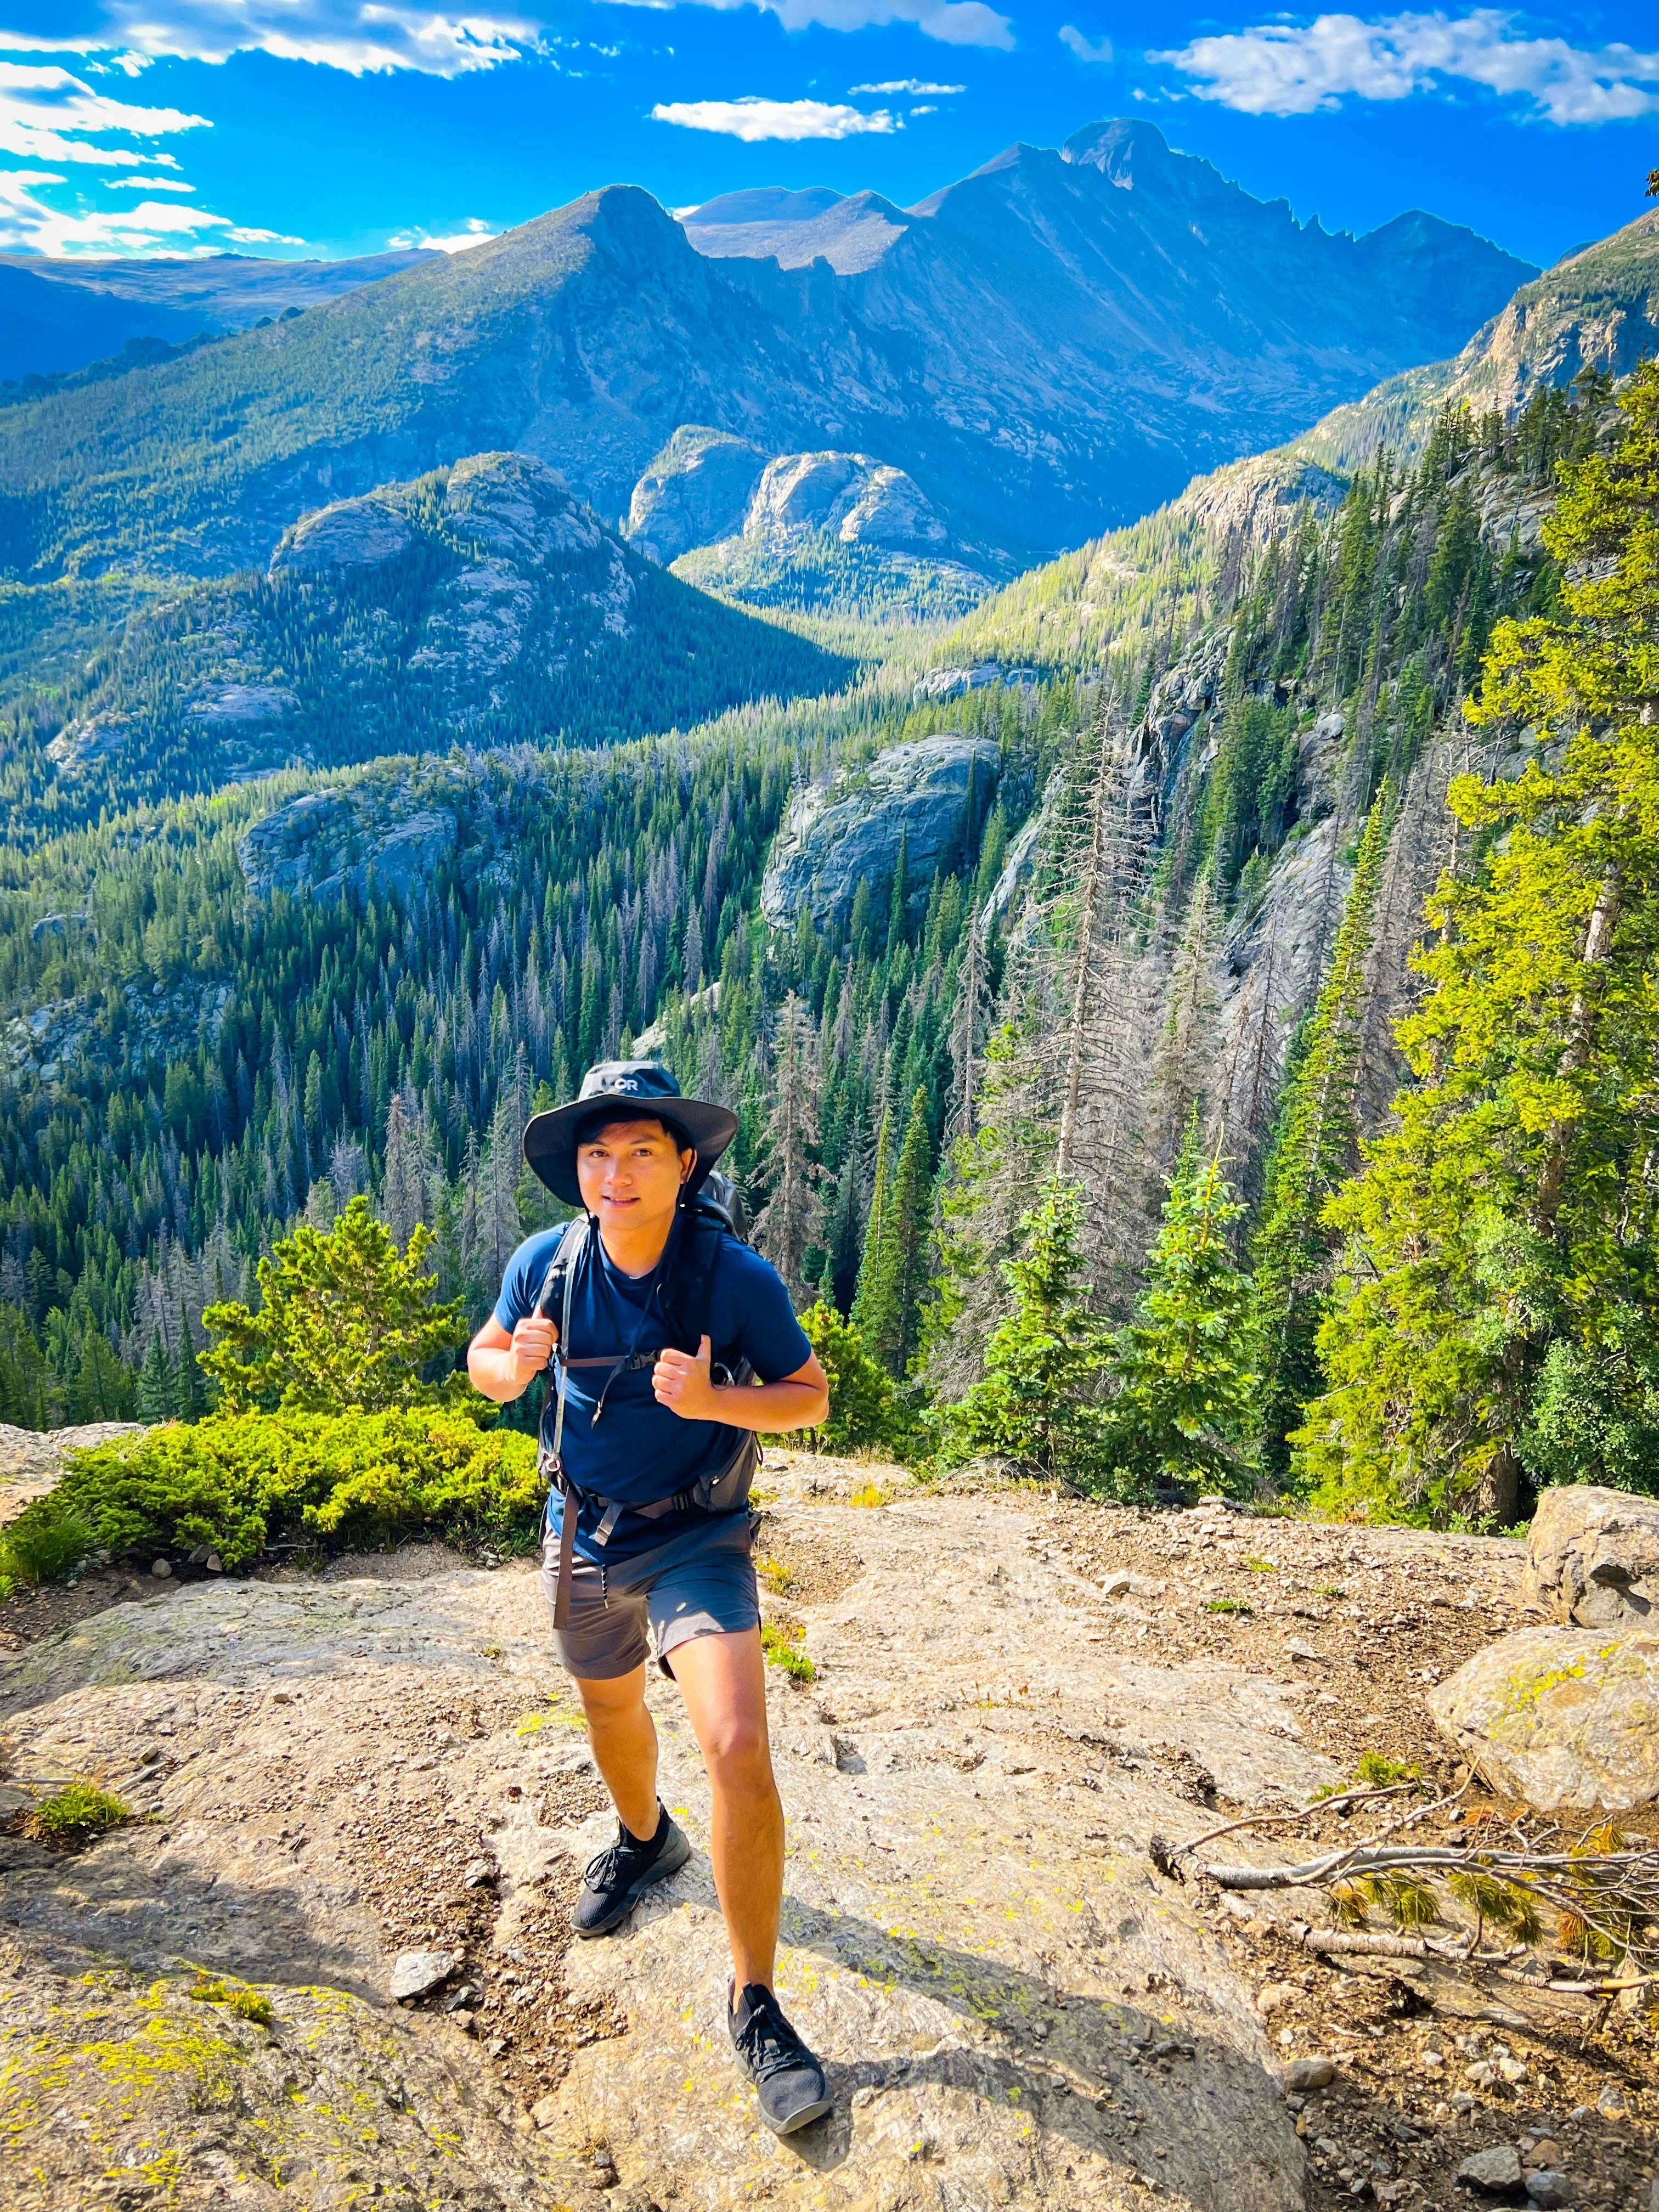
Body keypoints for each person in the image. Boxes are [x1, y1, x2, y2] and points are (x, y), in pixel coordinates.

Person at [467, 1059, 834, 2136]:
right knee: (611, 1705)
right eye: (597, 1152)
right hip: (582, 1532)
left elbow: (809, 1399)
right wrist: (513, 1366)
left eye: (639, 1151)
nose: (616, 1172)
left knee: (736, 1745)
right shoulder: (546, 1264)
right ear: (577, 1169)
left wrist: (716, 1394)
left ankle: (754, 2000)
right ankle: (645, 1840)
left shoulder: (733, 1280)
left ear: (684, 1162)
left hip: (696, 1536)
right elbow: (484, 1362)